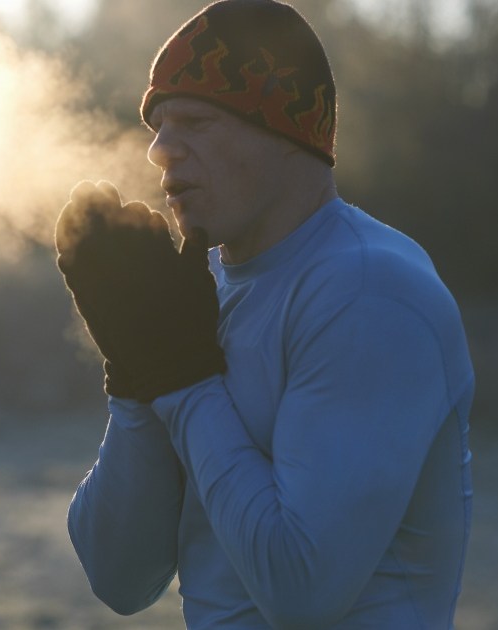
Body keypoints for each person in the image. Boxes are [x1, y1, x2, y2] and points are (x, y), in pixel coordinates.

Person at [53, 0, 475, 627]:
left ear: (283, 130)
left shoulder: (368, 293)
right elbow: (121, 577)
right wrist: (135, 372)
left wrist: (182, 377)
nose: (160, 151)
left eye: (194, 120)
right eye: (158, 127)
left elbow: (302, 591)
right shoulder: (203, 290)